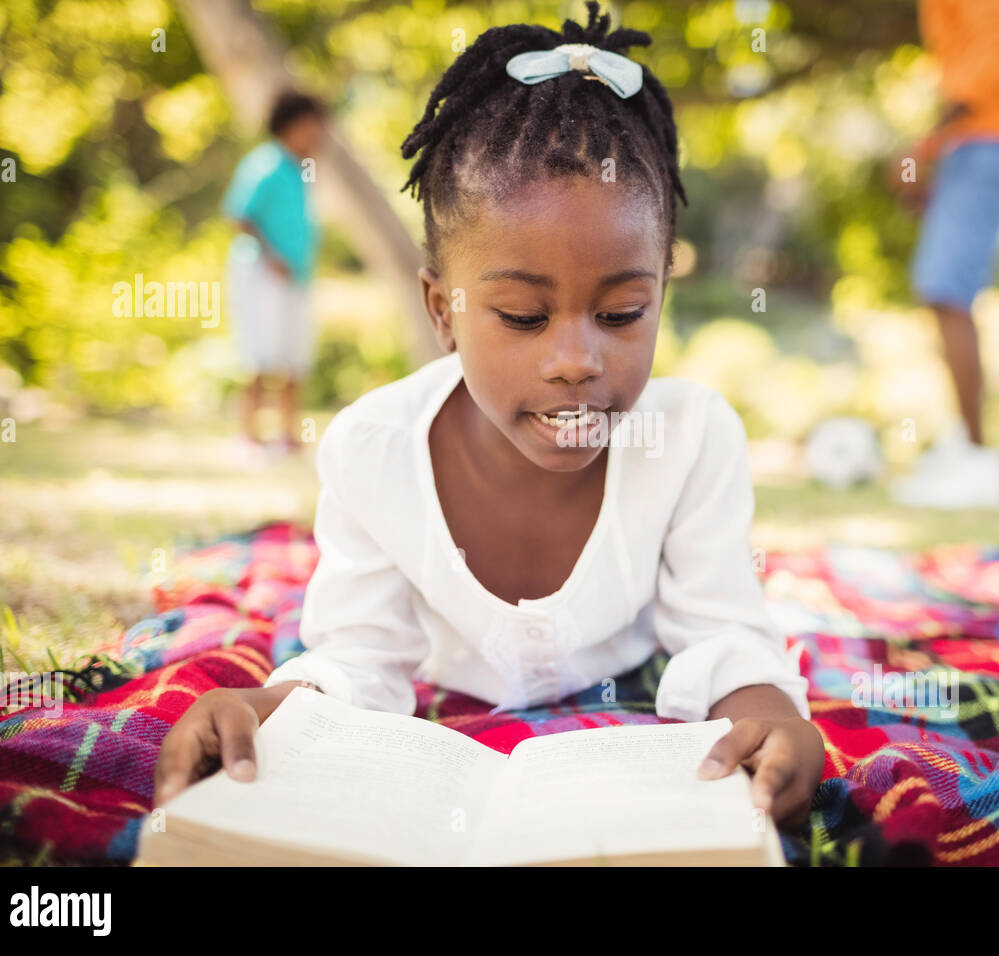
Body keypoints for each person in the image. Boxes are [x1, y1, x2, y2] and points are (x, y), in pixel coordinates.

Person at [155, 3, 824, 828]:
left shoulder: (690, 439)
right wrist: (272, 710)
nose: (577, 359)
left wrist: (780, 721)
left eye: (621, 314)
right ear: (443, 309)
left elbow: (725, 633)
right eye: (520, 316)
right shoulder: (373, 449)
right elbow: (359, 656)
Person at [890, 0, 999, 509]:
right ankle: (966, 447)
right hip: (984, 140)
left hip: (998, 138)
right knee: (941, 287)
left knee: (944, 286)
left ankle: (977, 461)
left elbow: (996, 61)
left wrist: (923, 148)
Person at [222, 91, 326, 459]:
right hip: (261, 274)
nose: (318, 133)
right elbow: (238, 215)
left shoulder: (301, 168)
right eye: (311, 125)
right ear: (291, 124)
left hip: (296, 278)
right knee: (259, 355)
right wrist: (271, 257)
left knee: (295, 357)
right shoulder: (265, 163)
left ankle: (287, 436)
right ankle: (250, 436)